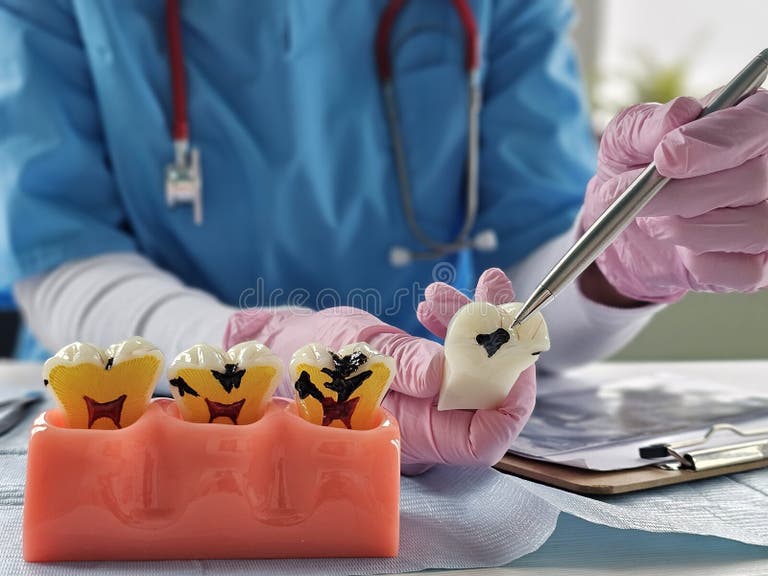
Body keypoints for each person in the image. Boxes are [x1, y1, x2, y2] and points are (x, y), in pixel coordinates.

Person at [1, 1, 766, 473]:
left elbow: (529, 300)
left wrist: (615, 266)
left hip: (429, 438)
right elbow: (58, 257)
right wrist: (256, 351)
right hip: (134, 419)